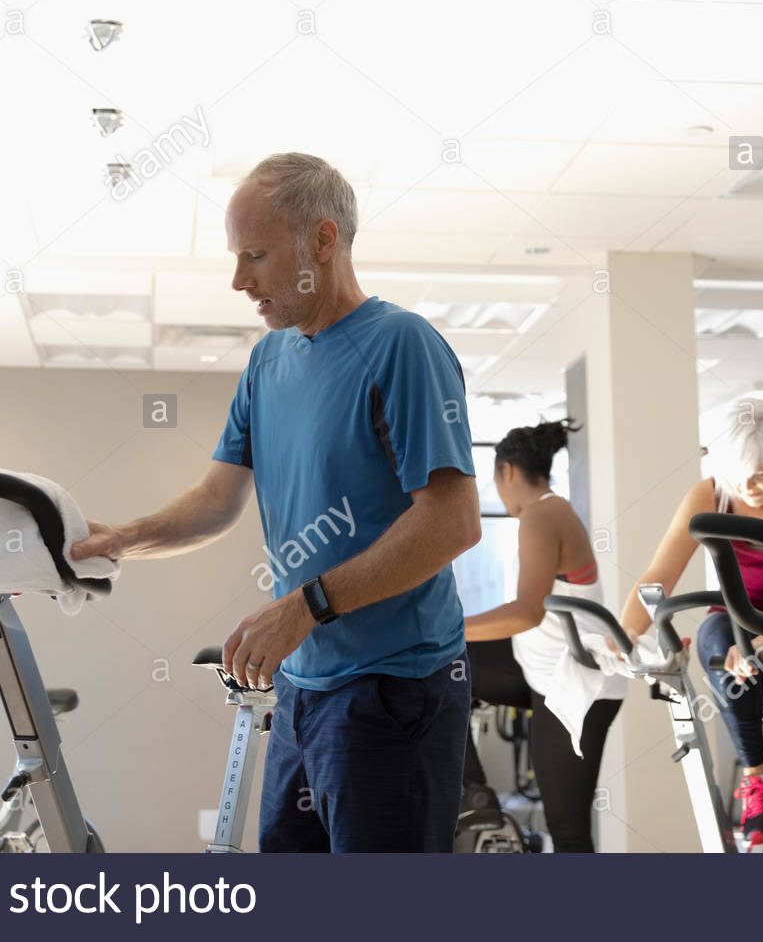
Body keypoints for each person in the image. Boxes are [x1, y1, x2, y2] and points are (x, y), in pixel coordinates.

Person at [71, 152, 481, 852]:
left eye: (255, 255)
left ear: (322, 241)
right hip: (303, 688)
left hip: (394, 690)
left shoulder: (400, 346)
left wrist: (305, 605)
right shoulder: (270, 360)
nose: (239, 280)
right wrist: (122, 539)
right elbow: (216, 499)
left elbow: (452, 521)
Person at [615, 399, 763, 852]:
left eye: (760, 473)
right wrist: (627, 634)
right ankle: (756, 778)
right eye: (735, 474)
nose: (747, 486)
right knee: (715, 633)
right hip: (739, 630)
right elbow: (658, 577)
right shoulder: (709, 494)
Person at [461, 419, 623, 853]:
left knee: (566, 828)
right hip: (538, 669)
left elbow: (528, 612)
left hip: (577, 682)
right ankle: (472, 795)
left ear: (508, 471)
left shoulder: (542, 516)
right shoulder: (549, 511)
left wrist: (449, 627)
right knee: (443, 664)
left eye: (496, 481)